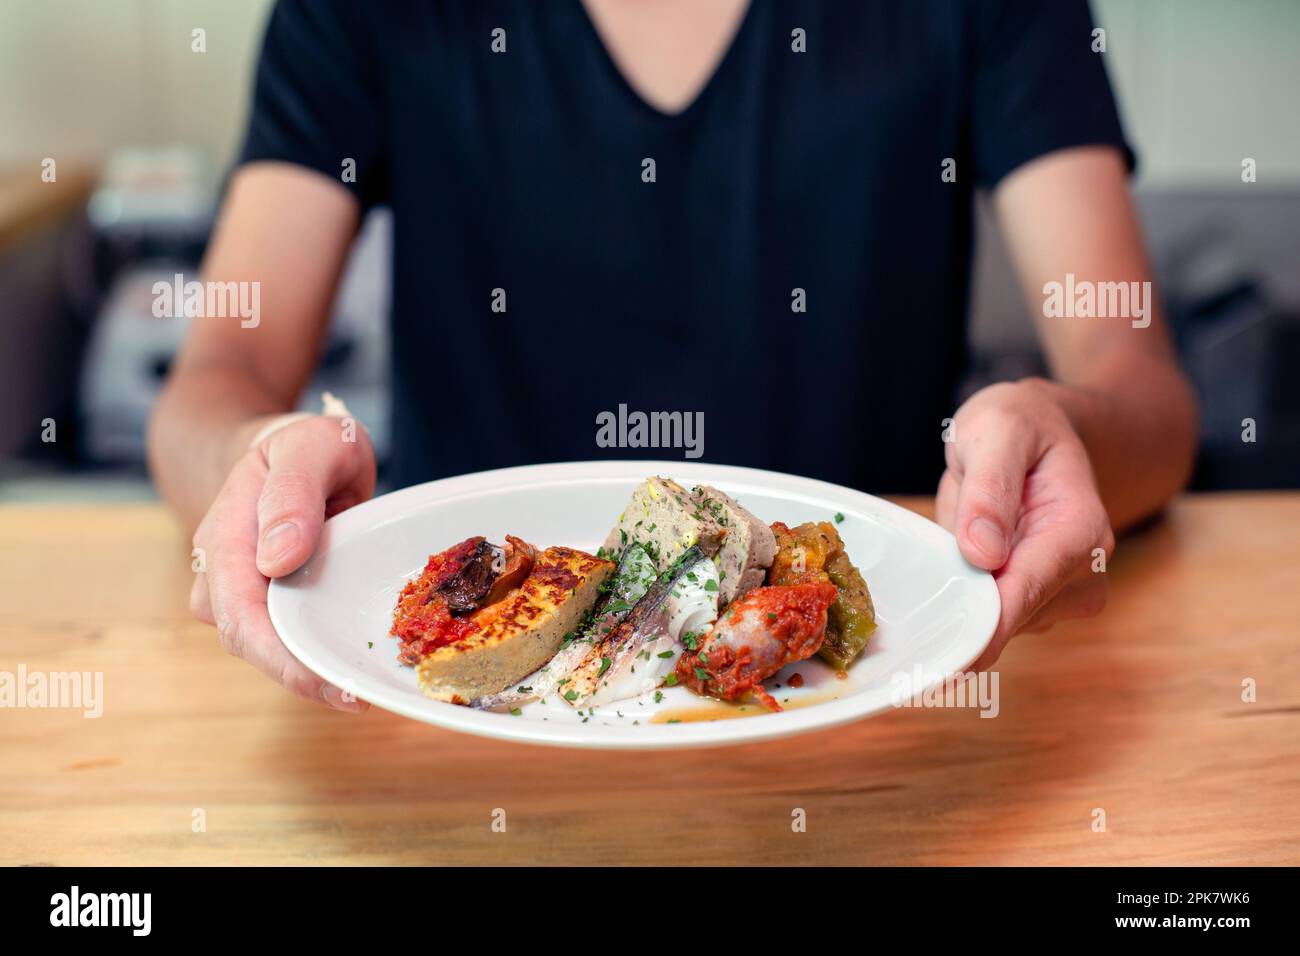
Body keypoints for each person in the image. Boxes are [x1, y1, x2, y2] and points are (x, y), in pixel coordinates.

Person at [148, 0, 1198, 711]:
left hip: (872, 723)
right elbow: (216, 380)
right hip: (449, 741)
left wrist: (1068, 434)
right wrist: (257, 463)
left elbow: (1139, 390)